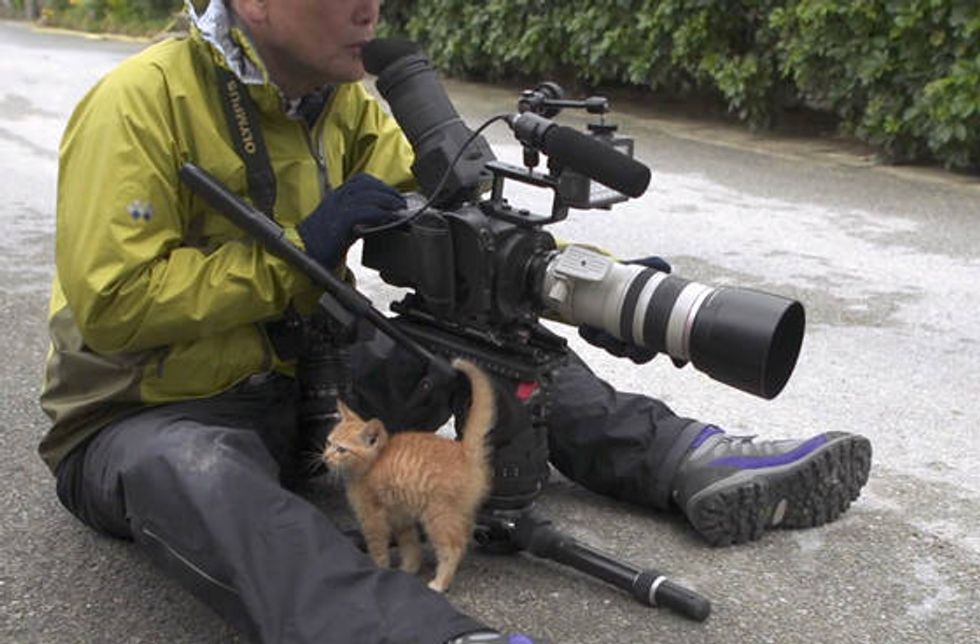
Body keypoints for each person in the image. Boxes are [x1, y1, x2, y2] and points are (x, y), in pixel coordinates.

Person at [39, 0, 872, 642]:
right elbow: (113, 304)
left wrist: (572, 283)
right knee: (200, 472)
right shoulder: (138, 102)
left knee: (484, 339)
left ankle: (686, 458)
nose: (370, 8)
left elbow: (465, 227)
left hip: (311, 389)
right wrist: (295, 252)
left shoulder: (341, 105)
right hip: (150, 414)